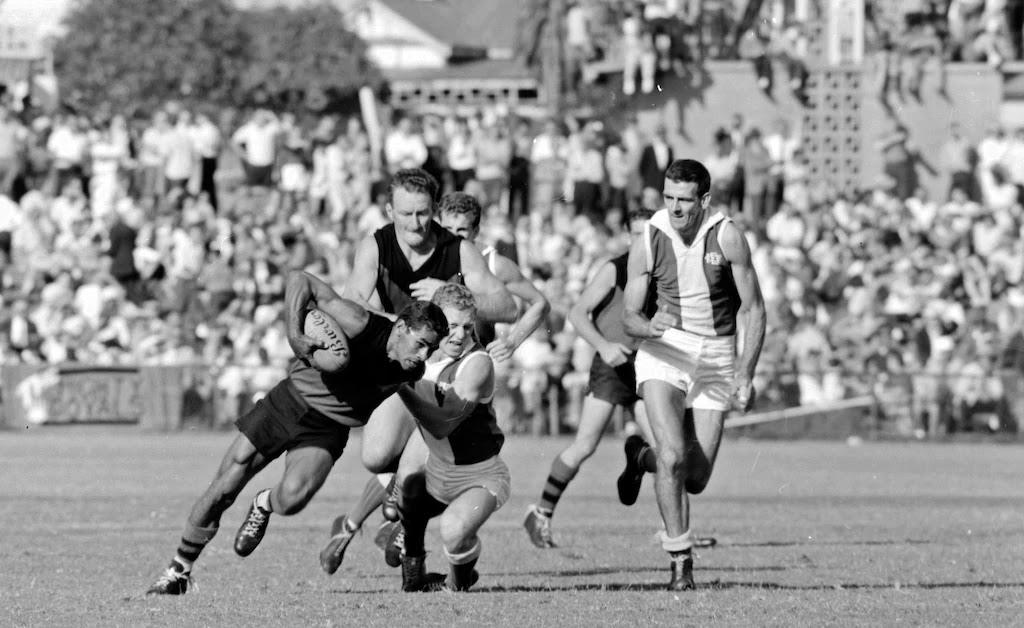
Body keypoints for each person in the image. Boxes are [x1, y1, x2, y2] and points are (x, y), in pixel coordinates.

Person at [145, 283, 449, 596]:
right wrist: (294, 333)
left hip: (327, 429)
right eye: (422, 343)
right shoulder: (359, 322)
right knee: (222, 489)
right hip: (287, 402)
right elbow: (300, 279)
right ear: (400, 328)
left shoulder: (411, 371)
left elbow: (415, 406)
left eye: (432, 348)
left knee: (293, 499)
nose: (425, 354)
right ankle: (177, 572)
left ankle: (263, 503)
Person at [286, 169, 515, 574]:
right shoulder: (376, 246)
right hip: (403, 370)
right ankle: (379, 520)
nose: (416, 223)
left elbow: (512, 306)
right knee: (376, 457)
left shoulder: (465, 253)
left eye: (423, 214)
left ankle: (408, 551)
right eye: (407, 214)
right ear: (391, 211)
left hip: (454, 373)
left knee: (414, 471)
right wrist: (406, 326)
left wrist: (452, 296)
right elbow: (354, 305)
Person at [620, 159, 766, 591]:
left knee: (696, 477)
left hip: (718, 355)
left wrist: (745, 373)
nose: (676, 208)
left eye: (685, 200)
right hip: (666, 349)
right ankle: (680, 561)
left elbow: (754, 309)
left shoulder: (728, 236)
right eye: (668, 198)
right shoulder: (649, 235)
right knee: (672, 456)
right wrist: (649, 328)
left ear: (704, 200)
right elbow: (628, 316)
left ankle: (638, 457)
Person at [522, 208, 655, 549]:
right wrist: (604, 346)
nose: (644, 239)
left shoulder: (665, 271)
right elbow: (578, 314)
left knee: (668, 451)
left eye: (650, 232)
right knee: (585, 445)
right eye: (637, 233)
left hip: (650, 368)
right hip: (613, 365)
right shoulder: (616, 268)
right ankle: (541, 514)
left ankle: (673, 528)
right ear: (628, 236)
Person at [384, 283, 510, 592]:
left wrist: (400, 384)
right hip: (438, 475)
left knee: (452, 531)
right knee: (409, 486)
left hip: (481, 478)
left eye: (468, 327)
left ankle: (458, 581)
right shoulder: (422, 354)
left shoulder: (477, 363)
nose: (460, 334)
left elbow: (444, 424)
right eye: (452, 326)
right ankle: (413, 570)